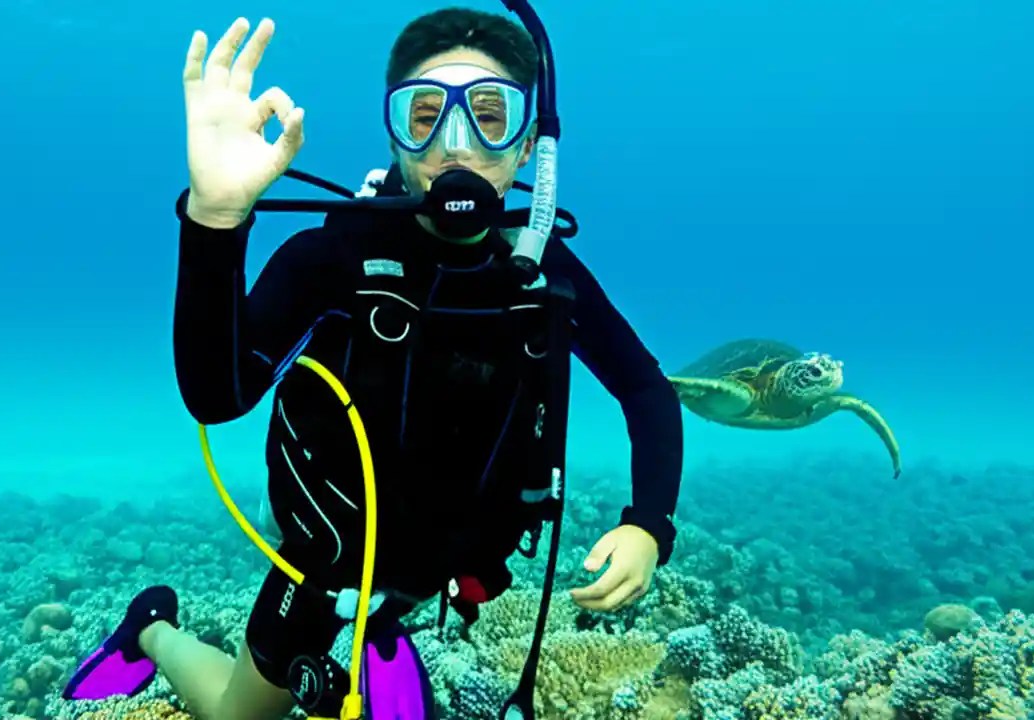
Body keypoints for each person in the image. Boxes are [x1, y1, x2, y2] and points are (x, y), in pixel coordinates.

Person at [61, 7, 684, 720]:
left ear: (526, 151)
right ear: (396, 135)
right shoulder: (336, 261)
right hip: (332, 564)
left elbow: (645, 387)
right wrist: (214, 218)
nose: (456, 145)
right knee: (239, 717)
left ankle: (383, 630)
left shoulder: (545, 274)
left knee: (390, 616)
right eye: (426, 115)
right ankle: (152, 630)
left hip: (457, 564)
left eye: (490, 115)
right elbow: (216, 394)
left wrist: (649, 525)